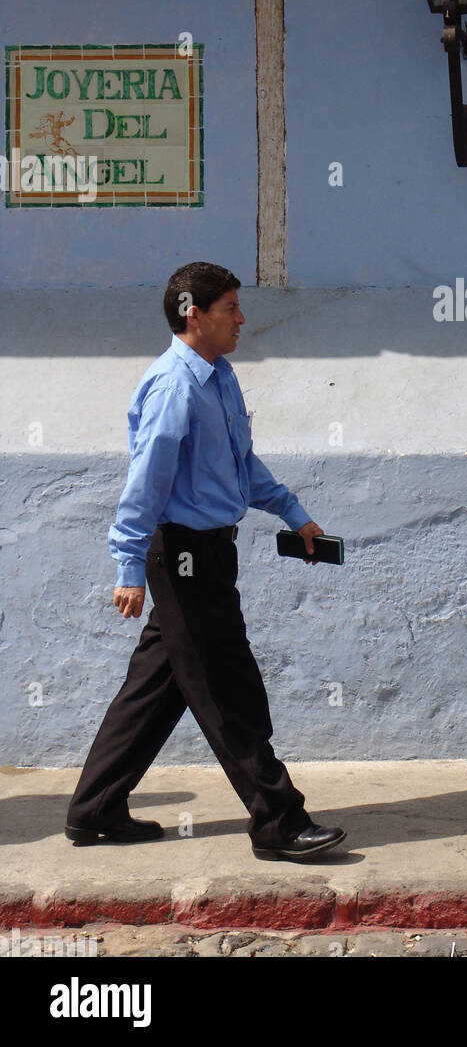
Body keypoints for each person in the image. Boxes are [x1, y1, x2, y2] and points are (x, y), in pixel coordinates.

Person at [66, 262, 346, 862]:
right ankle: (277, 819)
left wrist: (294, 514)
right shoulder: (174, 386)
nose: (242, 319)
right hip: (184, 556)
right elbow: (145, 484)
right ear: (194, 313)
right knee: (228, 685)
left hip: (211, 552)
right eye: (231, 309)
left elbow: (241, 466)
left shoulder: (218, 378)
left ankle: (95, 807)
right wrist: (128, 567)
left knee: (155, 688)